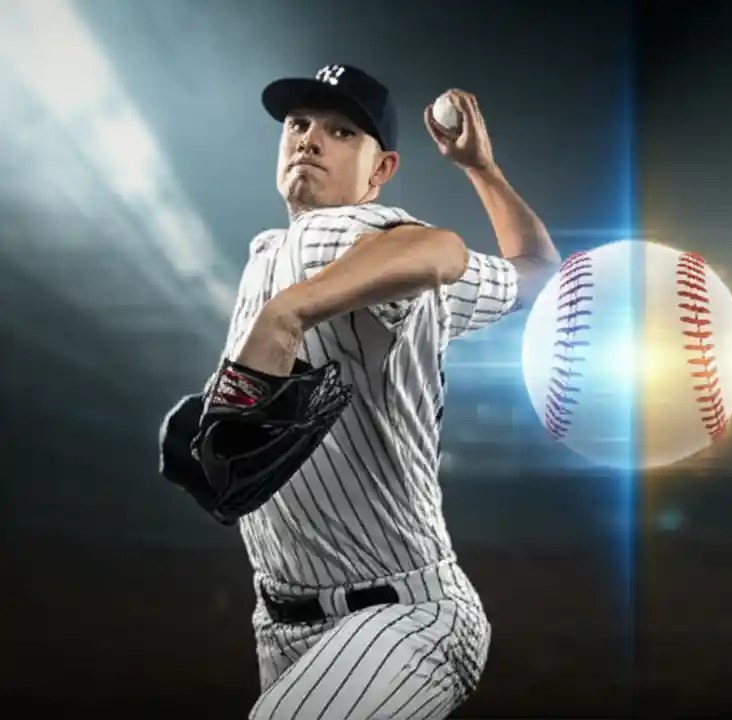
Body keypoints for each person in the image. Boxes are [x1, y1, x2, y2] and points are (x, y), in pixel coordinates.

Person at [211, 63, 559, 719]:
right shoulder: (267, 253)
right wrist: (482, 169)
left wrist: (289, 312)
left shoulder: (335, 234)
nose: (311, 139)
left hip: (404, 619)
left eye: (343, 132)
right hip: (288, 619)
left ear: (381, 173)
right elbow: (537, 273)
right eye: (300, 123)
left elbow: (439, 248)